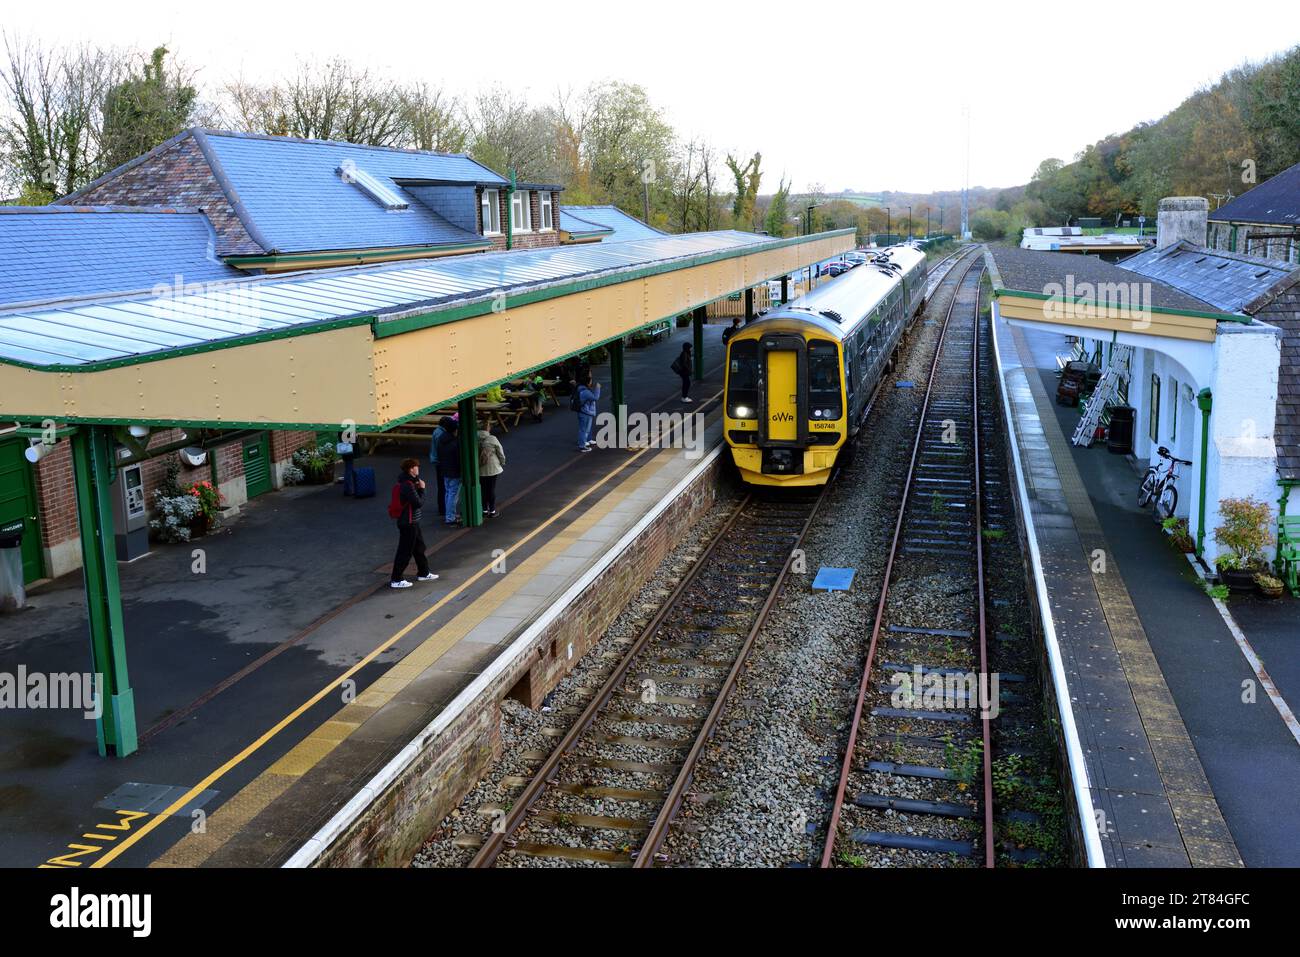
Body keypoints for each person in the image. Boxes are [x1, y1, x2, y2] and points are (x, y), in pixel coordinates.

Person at [390, 458, 438, 589]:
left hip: (413, 521)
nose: (418, 468)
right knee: (405, 551)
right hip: (408, 522)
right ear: (411, 469)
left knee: (419, 549)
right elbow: (418, 503)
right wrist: (422, 489)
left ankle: (424, 572)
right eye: (416, 466)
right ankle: (396, 579)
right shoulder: (407, 485)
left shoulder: (410, 482)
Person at [437, 418, 462, 526]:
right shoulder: (455, 443)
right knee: (453, 495)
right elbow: (458, 460)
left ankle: (450, 514)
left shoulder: (441, 439)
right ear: (454, 430)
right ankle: (450, 517)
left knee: (448, 493)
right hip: (454, 472)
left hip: (445, 470)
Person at [427, 416, 452, 517]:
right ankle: (443, 508)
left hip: (437, 461)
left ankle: (442, 508)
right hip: (441, 462)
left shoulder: (436, 431)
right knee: (444, 486)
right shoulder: (441, 435)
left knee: (441, 486)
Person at [478, 427, 506, 516]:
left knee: (483, 489)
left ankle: (484, 510)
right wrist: (502, 462)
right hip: (492, 467)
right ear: (487, 429)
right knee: (491, 489)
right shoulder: (492, 438)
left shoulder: (475, 439)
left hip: (479, 468)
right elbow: (500, 452)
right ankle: (492, 510)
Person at [576, 372, 600, 452]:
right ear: (587, 382)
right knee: (583, 429)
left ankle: (588, 440)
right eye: (590, 381)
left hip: (585, 411)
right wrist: (598, 388)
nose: (591, 382)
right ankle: (582, 445)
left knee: (587, 428)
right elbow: (595, 398)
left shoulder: (581, 388)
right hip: (585, 412)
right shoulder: (585, 392)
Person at [338, 430, 358, 496]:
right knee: (349, 469)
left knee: (348, 468)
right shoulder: (349, 428)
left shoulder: (341, 427)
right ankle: (348, 490)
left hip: (344, 448)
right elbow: (352, 439)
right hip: (348, 449)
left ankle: (347, 489)